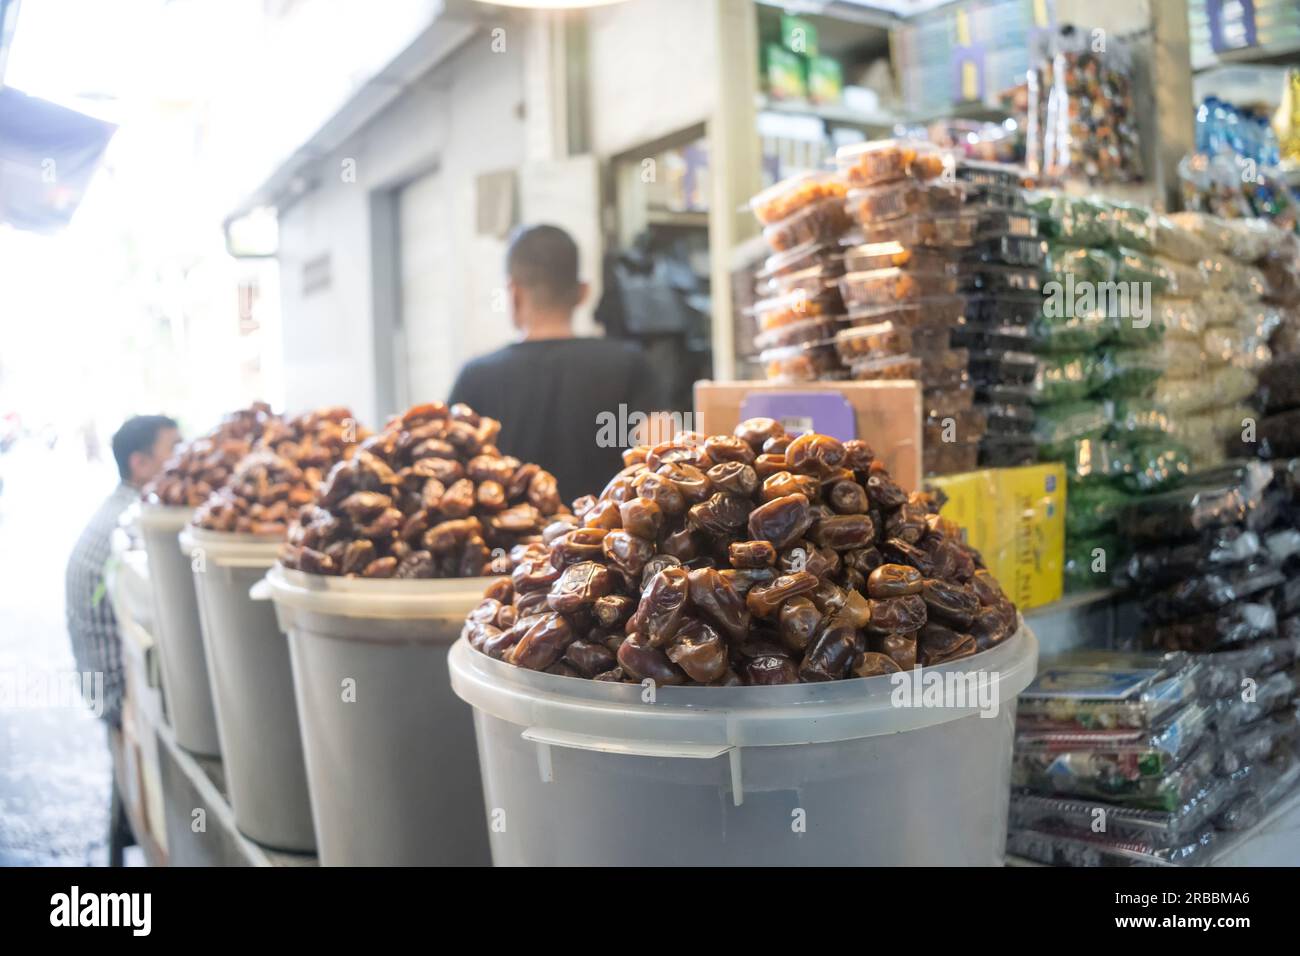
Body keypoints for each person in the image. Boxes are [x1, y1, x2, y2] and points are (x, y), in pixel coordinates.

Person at [449, 224, 661, 502]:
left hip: (506, 545)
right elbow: (661, 463)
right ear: (583, 292)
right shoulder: (631, 365)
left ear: (513, 292)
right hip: (605, 543)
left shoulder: (475, 378)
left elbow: (449, 478)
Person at [65, 414, 180, 865]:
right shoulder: (132, 523)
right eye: (174, 449)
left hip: (101, 677)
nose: (184, 459)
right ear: (140, 462)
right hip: (116, 691)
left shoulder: (124, 509)